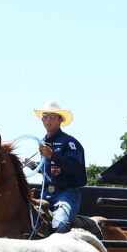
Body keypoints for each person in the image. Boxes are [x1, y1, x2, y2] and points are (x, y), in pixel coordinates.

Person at [34, 100, 86, 236]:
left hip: (66, 194)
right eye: (45, 116)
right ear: (42, 120)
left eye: (52, 116)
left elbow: (76, 168)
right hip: (45, 194)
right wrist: (34, 166)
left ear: (60, 120)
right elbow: (50, 170)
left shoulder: (70, 142)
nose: (48, 120)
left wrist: (52, 155)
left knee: (60, 225)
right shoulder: (43, 142)